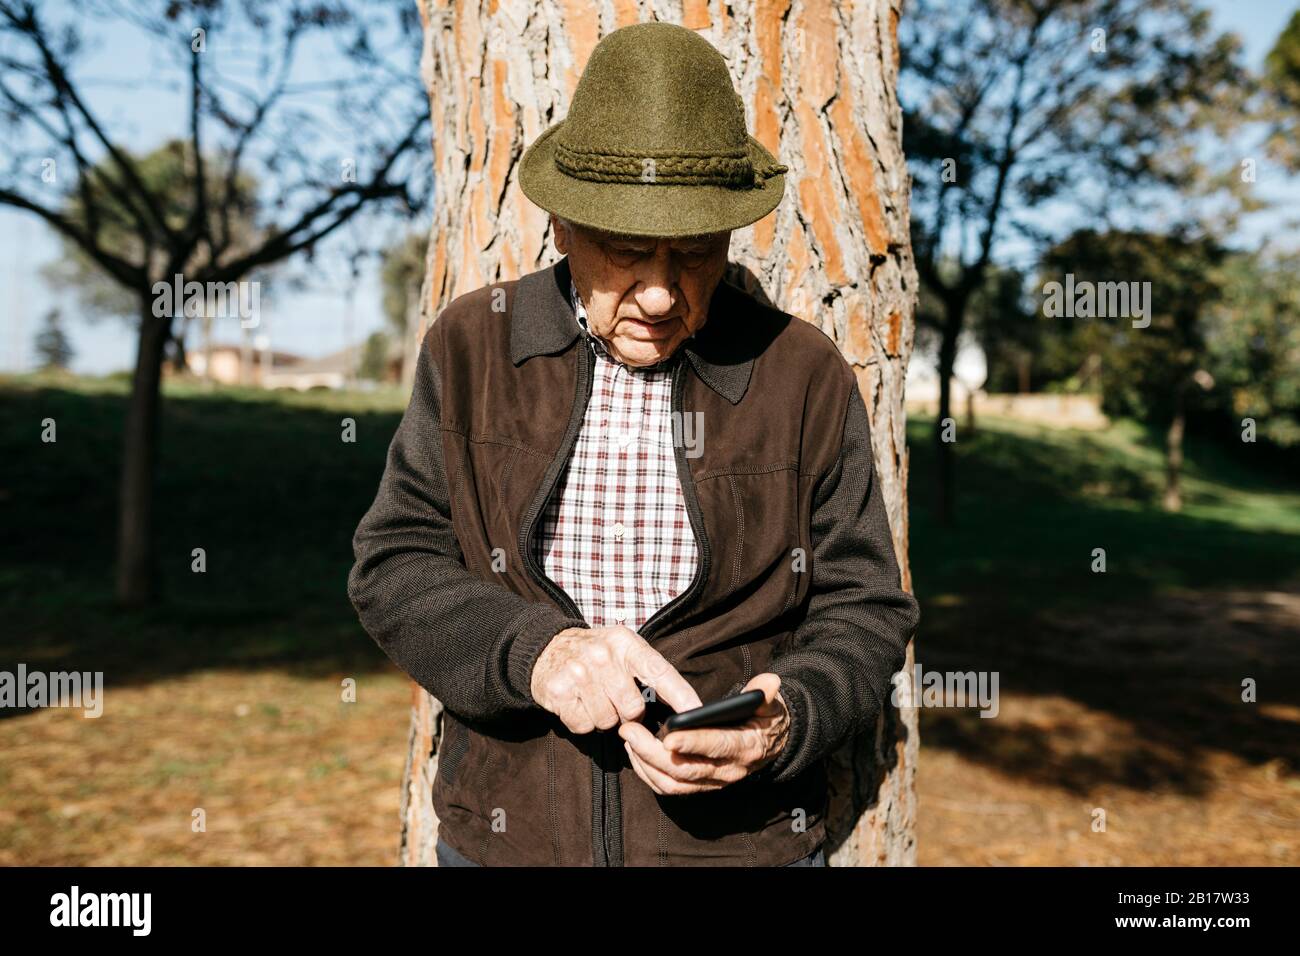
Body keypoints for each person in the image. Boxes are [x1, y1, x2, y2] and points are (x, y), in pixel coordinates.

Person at [348, 21, 919, 867]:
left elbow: (866, 607)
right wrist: (537, 655)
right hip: (506, 843)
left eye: (693, 255)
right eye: (625, 252)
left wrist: (782, 718)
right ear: (563, 227)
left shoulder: (802, 372)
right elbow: (393, 564)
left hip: (739, 851)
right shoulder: (471, 347)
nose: (659, 293)